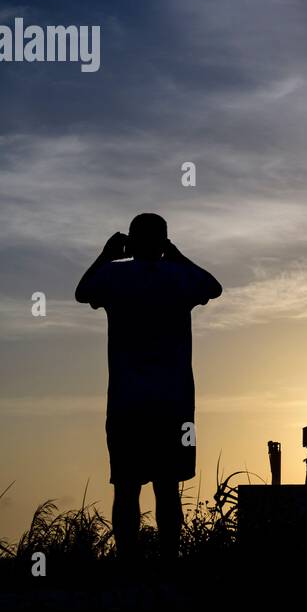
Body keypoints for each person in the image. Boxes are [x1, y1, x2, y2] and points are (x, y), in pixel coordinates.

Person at [75, 213, 222, 559]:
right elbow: (213, 287)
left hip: (128, 401)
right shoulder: (179, 277)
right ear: (164, 242)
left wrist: (106, 254)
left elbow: (82, 292)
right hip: (174, 402)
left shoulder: (114, 275)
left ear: (130, 240)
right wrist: (177, 255)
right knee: (167, 488)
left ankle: (128, 562)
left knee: (126, 488)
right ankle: (169, 561)